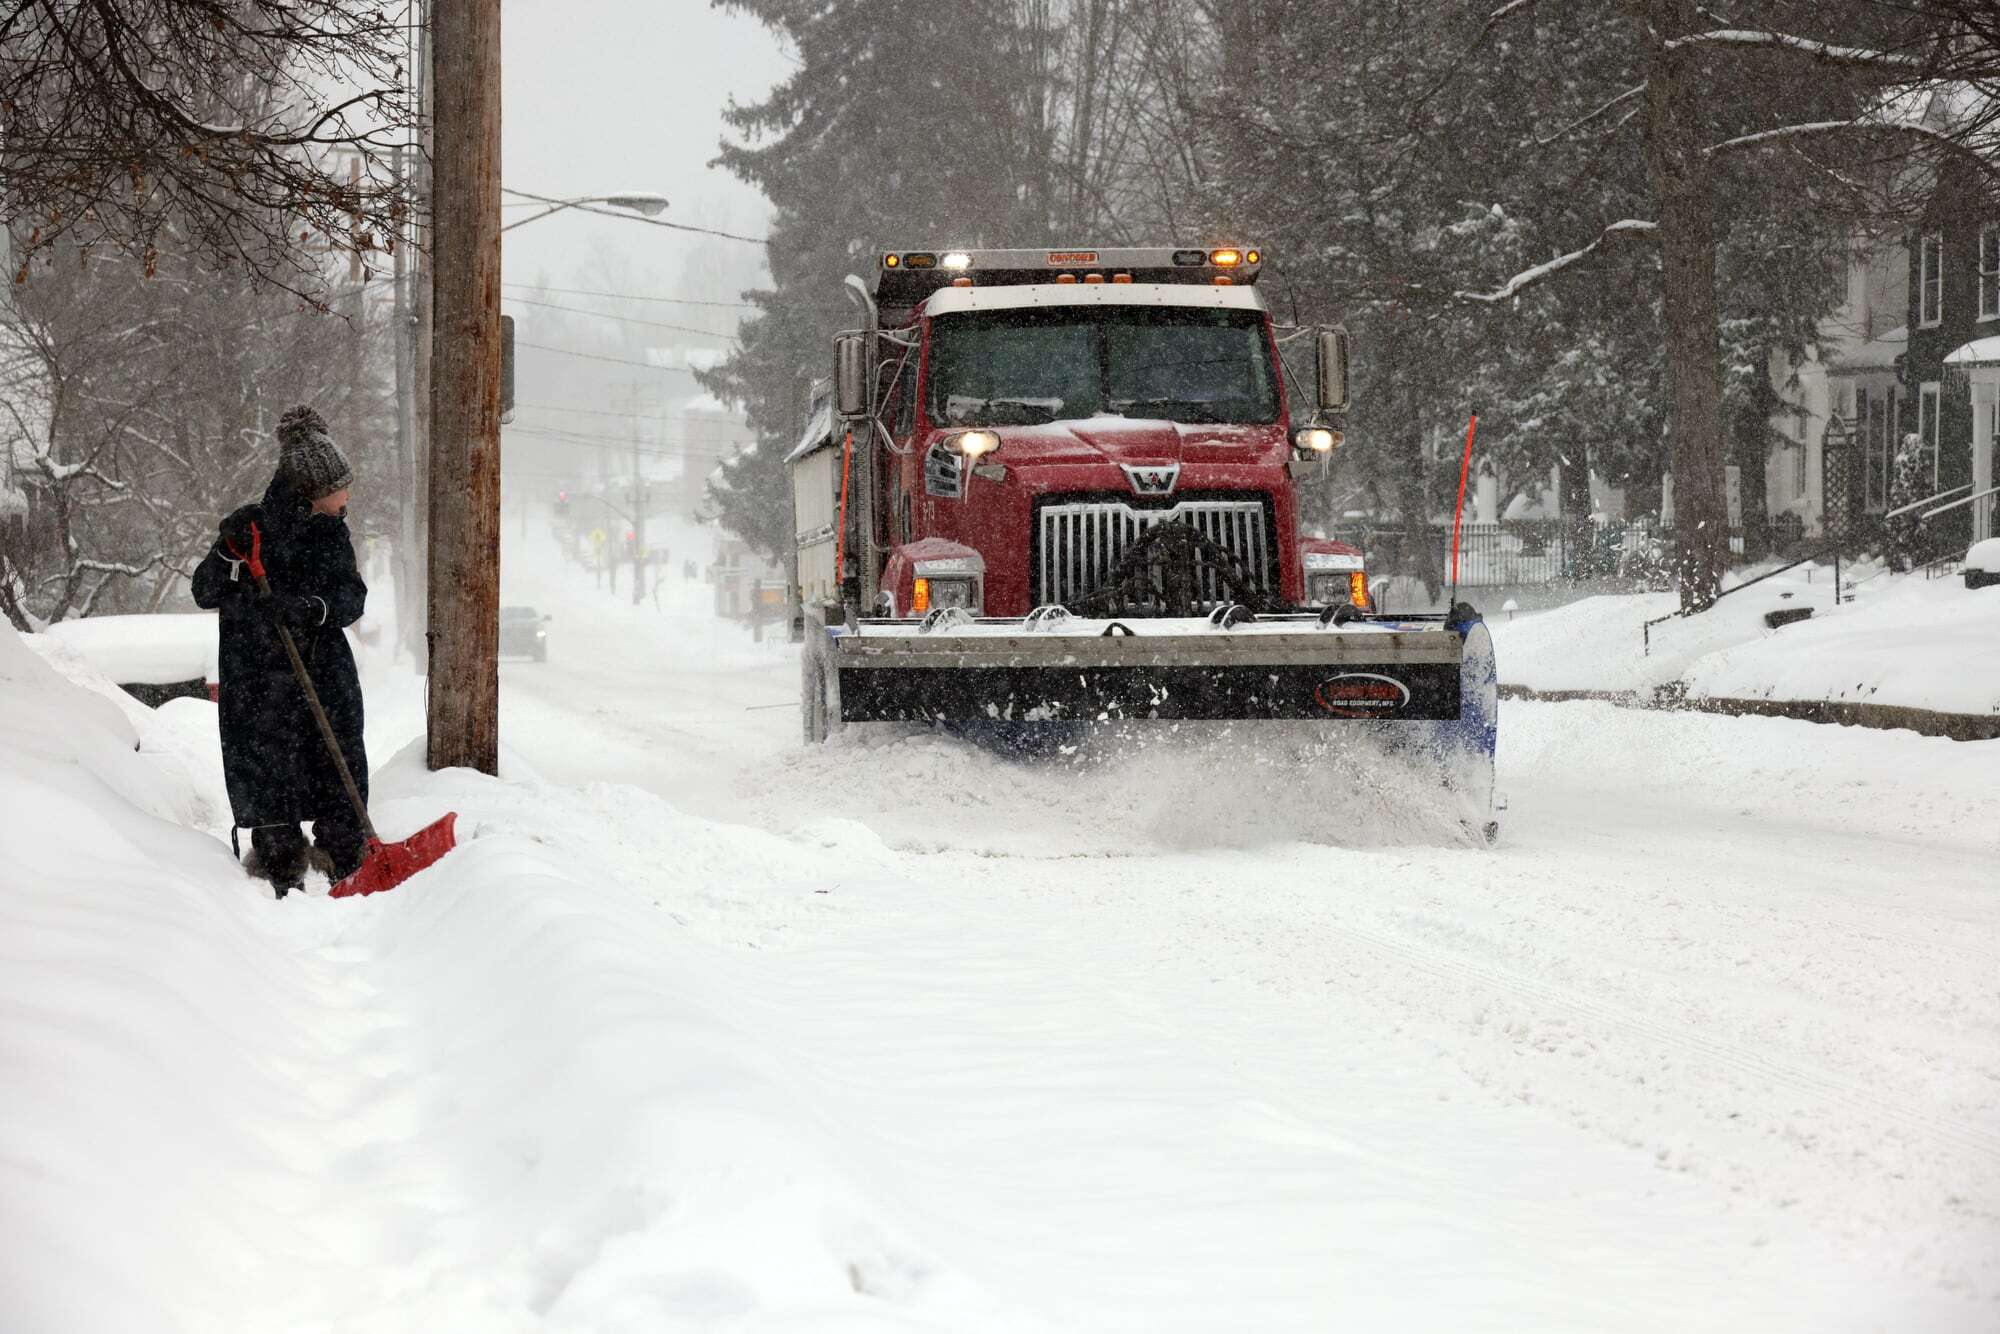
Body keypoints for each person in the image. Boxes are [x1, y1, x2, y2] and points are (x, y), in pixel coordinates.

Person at [192, 406, 369, 898]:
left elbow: (351, 596)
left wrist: (312, 608)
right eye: (341, 487)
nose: (348, 496)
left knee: (338, 764)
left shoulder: (333, 531)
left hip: (323, 673)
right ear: (313, 490)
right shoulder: (252, 529)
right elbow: (205, 591)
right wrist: (229, 559)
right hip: (259, 678)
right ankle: (278, 866)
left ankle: (347, 862)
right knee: (270, 768)